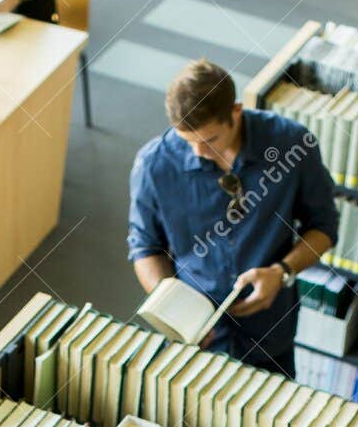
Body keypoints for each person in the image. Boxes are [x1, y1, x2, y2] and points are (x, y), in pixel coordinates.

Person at [128, 59, 338, 378]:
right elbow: (145, 248)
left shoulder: (292, 145)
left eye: (210, 140)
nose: (199, 153)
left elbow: (324, 227)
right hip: (195, 339)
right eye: (188, 141)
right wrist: (172, 310)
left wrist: (281, 272)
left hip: (271, 330)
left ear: (236, 112)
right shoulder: (154, 165)